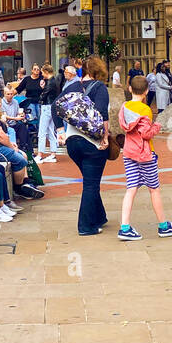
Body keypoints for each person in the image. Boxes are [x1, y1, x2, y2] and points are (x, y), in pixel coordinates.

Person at [118, 74, 172, 240]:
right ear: (146, 91)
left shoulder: (124, 107)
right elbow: (145, 134)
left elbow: (125, 127)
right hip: (145, 154)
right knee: (154, 190)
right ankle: (163, 225)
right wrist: (157, 127)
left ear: (130, 88)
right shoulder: (145, 110)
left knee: (131, 188)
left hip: (129, 152)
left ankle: (124, 227)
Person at [59, 55, 111, 235]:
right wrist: (105, 137)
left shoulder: (72, 85)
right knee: (91, 185)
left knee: (90, 181)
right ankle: (86, 226)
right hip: (92, 143)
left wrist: (60, 131)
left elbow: (54, 107)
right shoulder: (100, 87)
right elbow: (103, 113)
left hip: (72, 142)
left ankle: (99, 216)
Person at [0, 96, 41, 200]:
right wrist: (11, 146)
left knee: (22, 155)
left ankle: (26, 182)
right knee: (21, 160)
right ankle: (18, 189)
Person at [36, 62, 61, 163]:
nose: (41, 74)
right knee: (51, 130)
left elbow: (43, 96)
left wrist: (42, 91)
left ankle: (40, 154)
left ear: (46, 72)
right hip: (53, 107)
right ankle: (53, 154)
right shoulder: (55, 81)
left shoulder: (50, 82)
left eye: (42, 72)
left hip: (46, 107)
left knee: (42, 132)